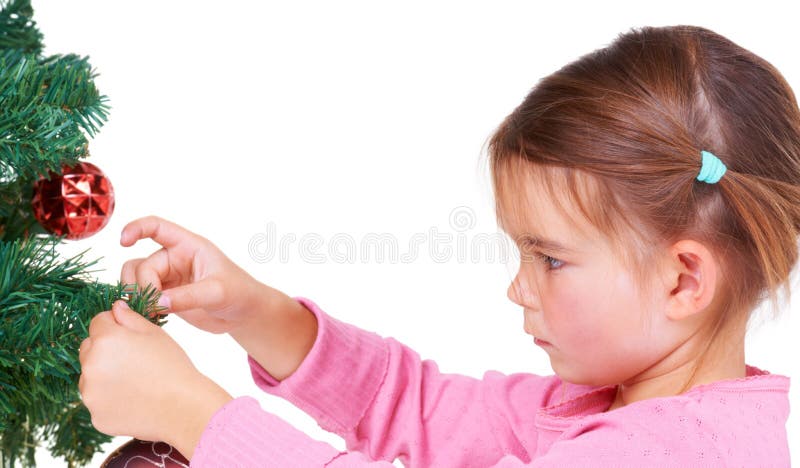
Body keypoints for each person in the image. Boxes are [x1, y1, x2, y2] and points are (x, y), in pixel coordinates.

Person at [78, 24, 797, 466]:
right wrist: (256, 313)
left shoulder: (666, 457)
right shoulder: (619, 405)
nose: (518, 286)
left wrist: (192, 417)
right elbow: (419, 407)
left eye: (549, 258)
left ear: (682, 281)